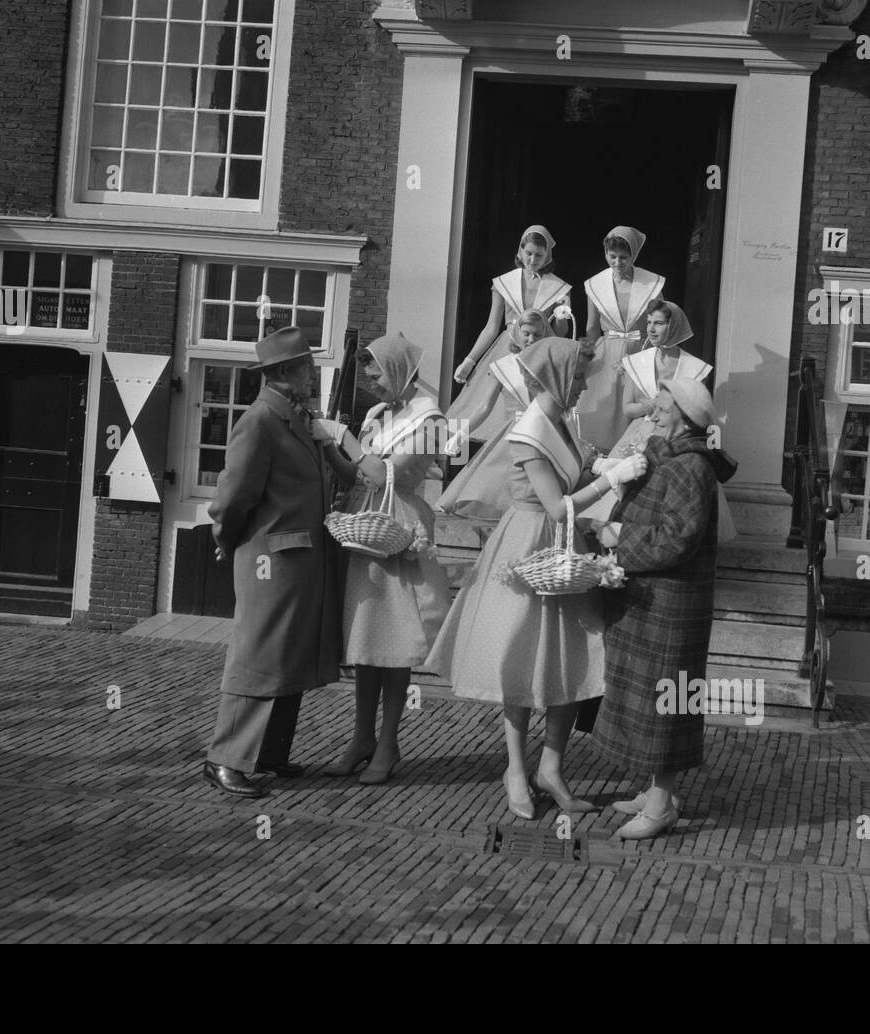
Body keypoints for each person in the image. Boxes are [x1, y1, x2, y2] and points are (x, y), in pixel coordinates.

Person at [426, 338, 646, 820]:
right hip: (529, 542)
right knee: (522, 658)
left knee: (568, 660)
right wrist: (610, 480)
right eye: (580, 376)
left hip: (565, 545)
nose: (585, 385)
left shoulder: (561, 422)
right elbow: (555, 505)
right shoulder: (527, 430)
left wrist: (600, 465)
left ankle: (551, 767)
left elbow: (572, 484)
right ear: (559, 375)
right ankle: (514, 769)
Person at [591, 376, 738, 840]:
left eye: (660, 407)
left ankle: (659, 807)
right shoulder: (669, 457)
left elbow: (678, 539)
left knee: (664, 699)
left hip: (671, 601)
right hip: (649, 597)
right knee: (648, 696)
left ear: (684, 415)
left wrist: (620, 538)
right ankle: (658, 791)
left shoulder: (691, 466)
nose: (652, 414)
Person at [203, 327, 342, 798]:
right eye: (306, 367)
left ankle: (270, 753)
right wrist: (229, 538)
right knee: (258, 657)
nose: (312, 374)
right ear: (285, 373)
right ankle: (225, 758)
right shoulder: (260, 420)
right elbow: (233, 497)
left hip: (301, 559)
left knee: (289, 657)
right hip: (271, 560)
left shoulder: (295, 417)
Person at [313, 333, 452, 784]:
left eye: (374, 370)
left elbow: (389, 472)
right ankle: (361, 738)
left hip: (399, 530)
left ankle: (389, 742)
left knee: (394, 643)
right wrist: (328, 446)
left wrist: (343, 436)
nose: (369, 381)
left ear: (396, 367)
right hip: (363, 524)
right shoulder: (378, 414)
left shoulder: (431, 417)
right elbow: (357, 474)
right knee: (366, 640)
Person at [447, 225, 573, 445]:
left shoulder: (558, 287)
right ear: (520, 251)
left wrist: (562, 314)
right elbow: (491, 326)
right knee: (491, 409)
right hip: (507, 349)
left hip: (539, 349)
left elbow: (559, 333)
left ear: (547, 256)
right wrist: (470, 360)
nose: (533, 259)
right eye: (529, 253)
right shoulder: (505, 282)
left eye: (539, 255)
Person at [437, 309, 552, 521]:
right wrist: (460, 434)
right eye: (526, 333)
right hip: (512, 434)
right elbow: (484, 406)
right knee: (495, 482)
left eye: (537, 334)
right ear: (517, 332)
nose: (531, 339)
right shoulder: (502, 365)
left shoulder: (552, 364)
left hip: (544, 434)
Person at [575, 226, 665, 451]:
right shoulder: (595, 284)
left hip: (640, 351)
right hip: (607, 354)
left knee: (636, 410)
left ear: (633, 255)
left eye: (624, 257)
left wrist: (654, 356)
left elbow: (661, 323)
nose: (617, 262)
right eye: (612, 256)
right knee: (601, 411)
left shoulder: (651, 283)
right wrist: (583, 358)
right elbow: (592, 327)